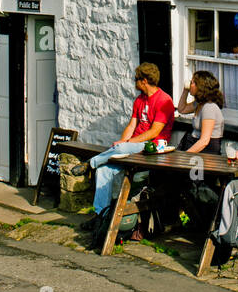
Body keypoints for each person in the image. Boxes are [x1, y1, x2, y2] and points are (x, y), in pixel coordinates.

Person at [70, 63, 176, 224]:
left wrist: (127, 143)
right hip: (134, 146)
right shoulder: (140, 100)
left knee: (120, 148)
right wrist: (123, 141)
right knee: (104, 170)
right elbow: (132, 125)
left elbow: (154, 132)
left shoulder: (164, 101)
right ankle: (101, 216)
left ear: (144, 81)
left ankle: (90, 164)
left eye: (136, 79)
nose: (134, 82)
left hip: (151, 148)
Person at [176, 70, 225, 154]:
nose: (190, 84)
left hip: (206, 151)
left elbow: (204, 141)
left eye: (193, 82)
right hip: (194, 144)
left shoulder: (209, 107)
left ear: (200, 86)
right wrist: (185, 90)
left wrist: (184, 156)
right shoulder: (199, 104)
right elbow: (182, 109)